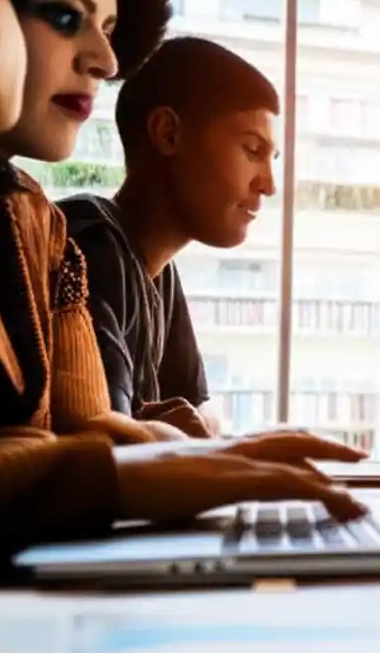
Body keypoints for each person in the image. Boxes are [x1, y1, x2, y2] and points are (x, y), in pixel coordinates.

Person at [0, 0, 362, 577]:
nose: (107, 62)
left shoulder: (39, 224)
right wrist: (153, 463)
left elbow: (89, 426)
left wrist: (225, 454)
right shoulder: (90, 237)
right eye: (64, 18)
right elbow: (90, 441)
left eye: (110, 30)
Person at [59, 37, 279, 438]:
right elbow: (113, 444)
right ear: (168, 133)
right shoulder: (91, 246)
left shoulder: (158, 271)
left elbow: (203, 419)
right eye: (252, 150)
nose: (268, 185)